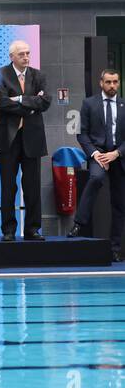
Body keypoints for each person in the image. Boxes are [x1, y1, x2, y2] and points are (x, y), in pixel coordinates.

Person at [0, 39, 49, 240]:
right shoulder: (0, 74)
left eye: (28, 53)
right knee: (8, 185)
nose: (26, 57)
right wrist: (32, 103)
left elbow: (45, 101)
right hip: (7, 137)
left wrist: (20, 99)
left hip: (32, 137)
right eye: (21, 54)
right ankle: (9, 230)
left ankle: (32, 229)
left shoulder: (38, 75)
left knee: (32, 185)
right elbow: (1, 102)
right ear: (12, 56)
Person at [70, 68, 125, 260]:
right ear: (101, 83)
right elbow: (81, 133)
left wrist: (116, 153)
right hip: (98, 155)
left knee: (119, 204)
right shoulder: (88, 104)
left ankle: (115, 249)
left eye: (115, 82)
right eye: (108, 82)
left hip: (119, 157)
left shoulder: (124, 104)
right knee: (95, 178)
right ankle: (79, 223)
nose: (112, 86)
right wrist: (95, 154)